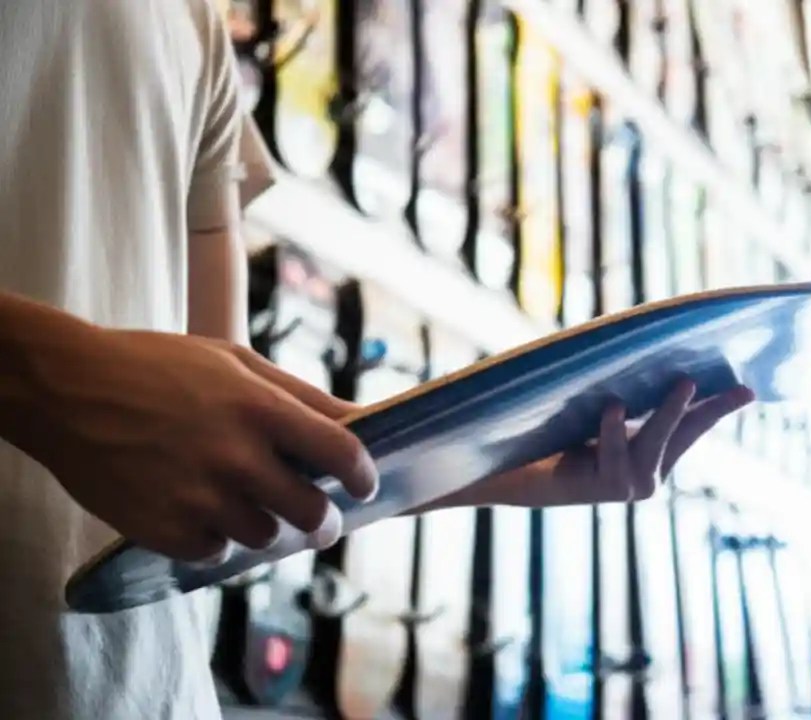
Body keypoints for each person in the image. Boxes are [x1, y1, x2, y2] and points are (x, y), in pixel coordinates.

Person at [0, 3, 752, 718]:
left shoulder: (193, 24)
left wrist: (498, 461)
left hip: (134, 690)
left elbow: (237, 447)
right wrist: (40, 373)